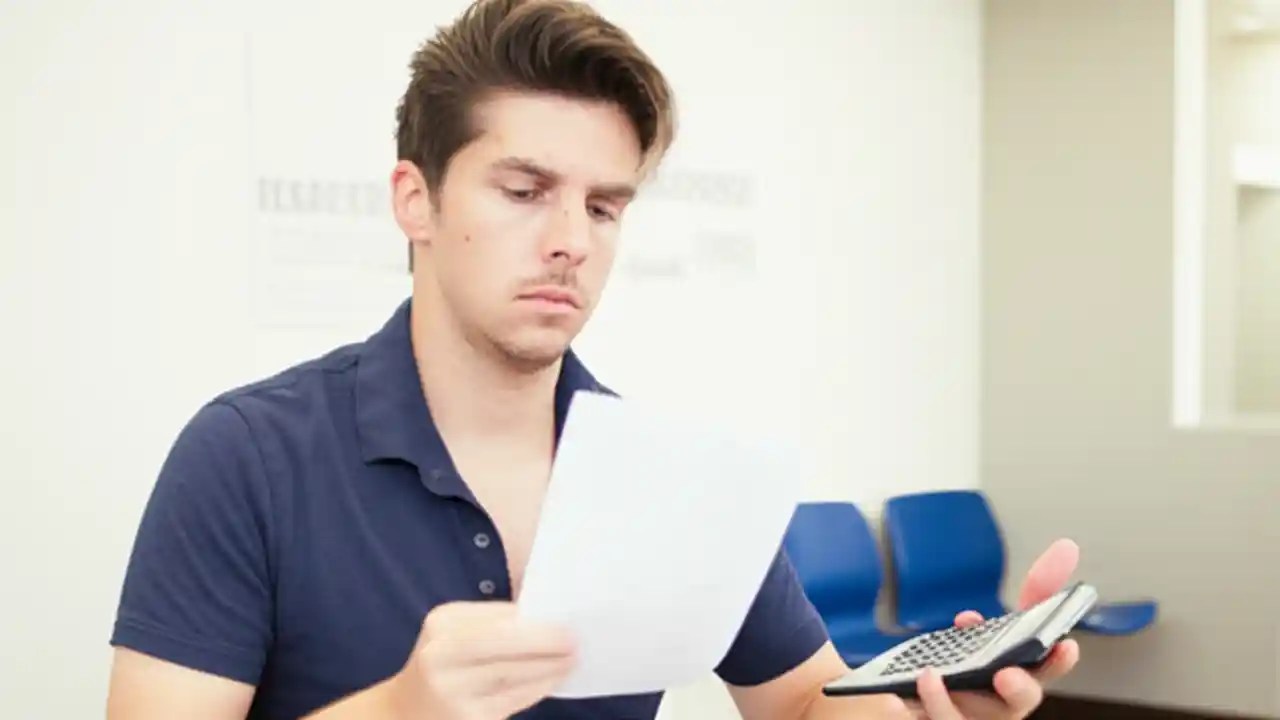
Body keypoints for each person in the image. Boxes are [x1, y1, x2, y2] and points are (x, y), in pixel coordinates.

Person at [105, 1, 1081, 718]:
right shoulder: (245, 457)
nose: (571, 238)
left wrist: (928, 703)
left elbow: (799, 706)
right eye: (524, 190)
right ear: (415, 200)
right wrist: (396, 713)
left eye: (603, 205)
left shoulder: (672, 478)